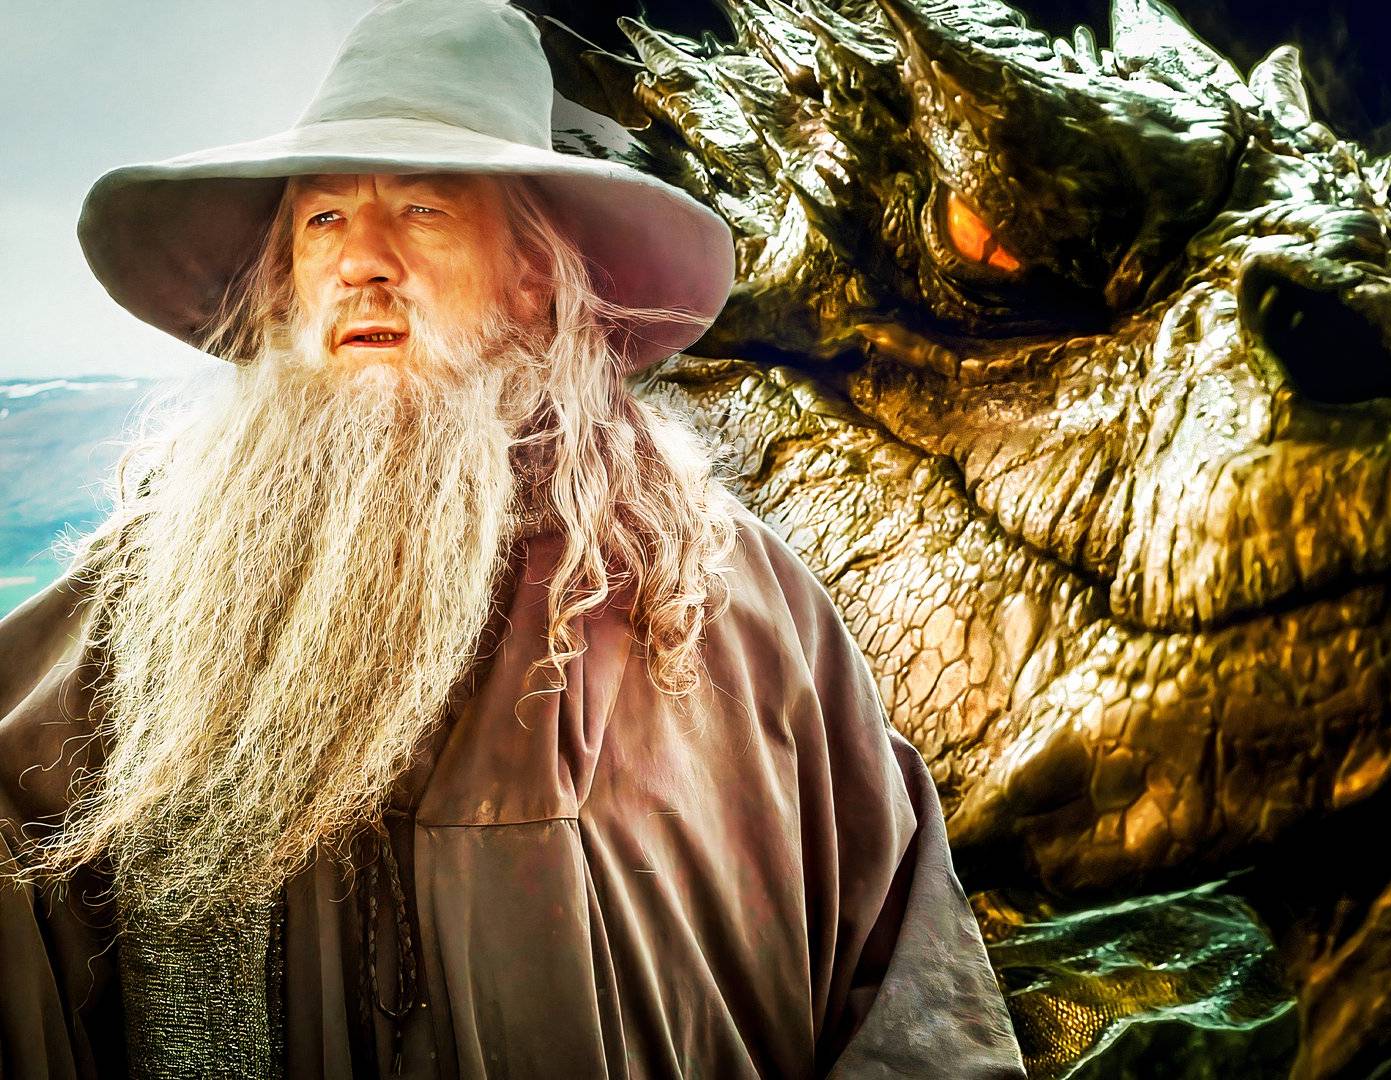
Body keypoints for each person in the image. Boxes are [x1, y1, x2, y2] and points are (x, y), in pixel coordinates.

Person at [0, 1, 1028, 1077]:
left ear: (532, 274)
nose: (363, 261)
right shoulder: (163, 587)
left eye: (423, 210)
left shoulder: (719, 591)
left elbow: (903, 969)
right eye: (323, 219)